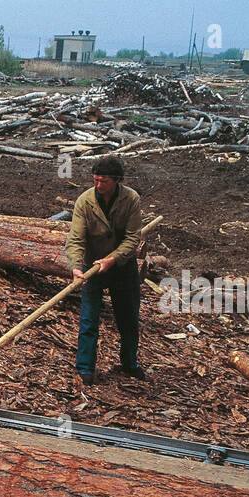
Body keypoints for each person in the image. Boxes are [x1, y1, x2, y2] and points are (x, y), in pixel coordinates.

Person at [64, 156, 145, 384]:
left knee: (128, 319)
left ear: (117, 181)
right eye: (95, 180)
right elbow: (76, 239)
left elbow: (132, 239)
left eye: (104, 181)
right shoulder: (85, 201)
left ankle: (130, 364)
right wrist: (76, 268)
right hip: (92, 267)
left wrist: (112, 259)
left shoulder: (131, 199)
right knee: (89, 319)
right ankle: (85, 369)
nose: (98, 186)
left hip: (122, 267)